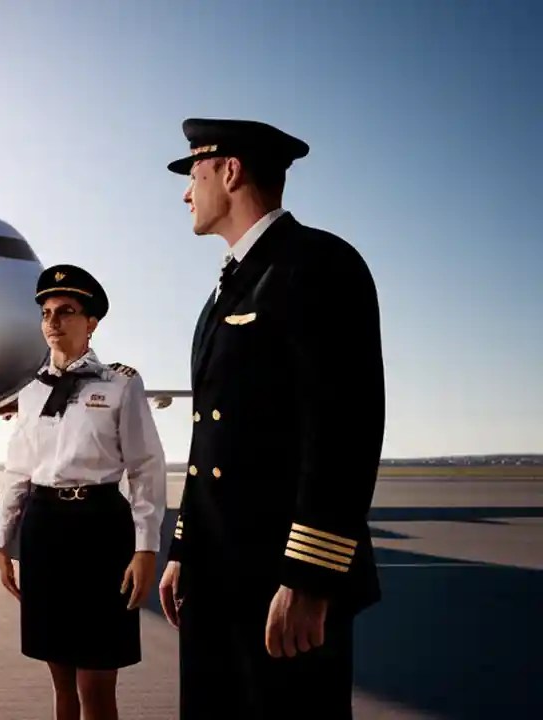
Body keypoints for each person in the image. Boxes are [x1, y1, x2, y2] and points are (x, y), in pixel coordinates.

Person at [159, 118, 386, 719]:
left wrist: (310, 578)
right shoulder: (225, 291)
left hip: (278, 582)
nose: (186, 192)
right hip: (216, 577)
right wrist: (184, 548)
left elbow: (344, 431)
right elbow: (210, 435)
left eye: (193, 174)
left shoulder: (319, 265)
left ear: (229, 171)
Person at [0, 263, 168, 720]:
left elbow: (147, 469)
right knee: (61, 681)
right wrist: (2, 539)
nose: (53, 321)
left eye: (66, 311)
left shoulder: (121, 384)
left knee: (97, 683)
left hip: (100, 529)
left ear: (91, 323)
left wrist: (146, 547)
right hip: (44, 529)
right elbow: (18, 469)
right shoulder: (31, 392)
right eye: (47, 312)